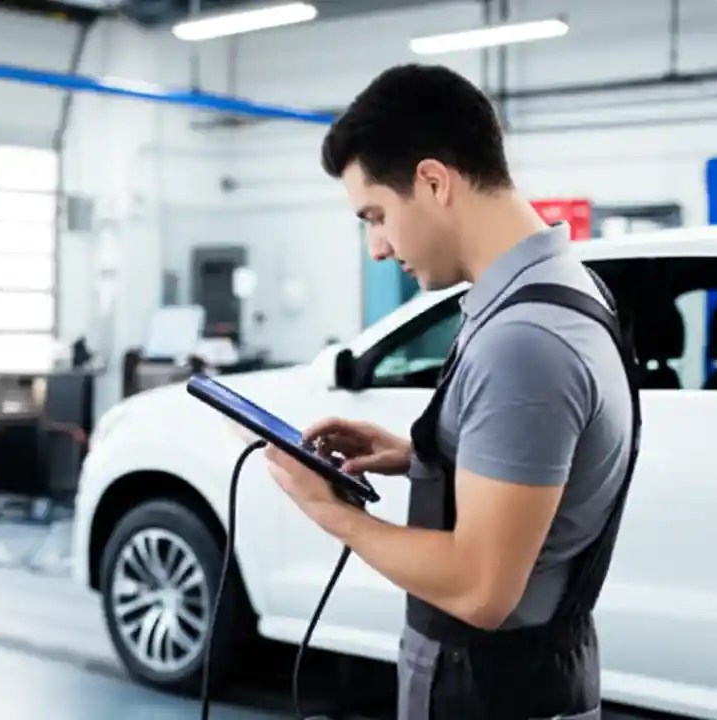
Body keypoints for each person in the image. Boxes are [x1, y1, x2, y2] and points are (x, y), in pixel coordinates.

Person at [263, 64, 640, 719]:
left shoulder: (525, 340)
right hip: (518, 679)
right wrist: (421, 452)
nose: (377, 247)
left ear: (434, 181)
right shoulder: (558, 292)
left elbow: (479, 587)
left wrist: (332, 513)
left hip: (494, 691)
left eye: (376, 215)